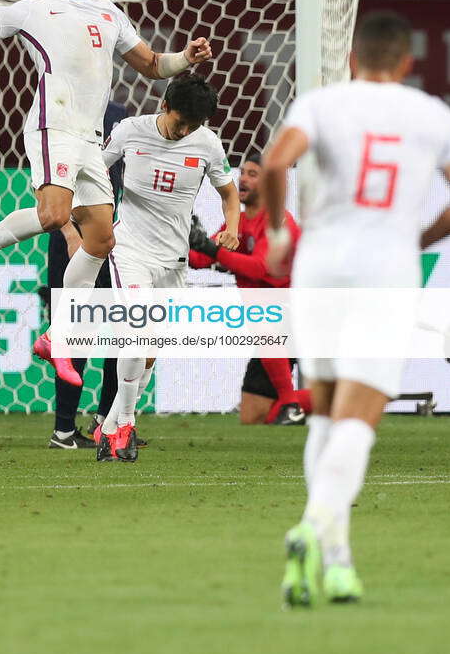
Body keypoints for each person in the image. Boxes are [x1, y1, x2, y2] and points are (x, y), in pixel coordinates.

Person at [0, 0, 213, 388]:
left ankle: (59, 337)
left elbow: (154, 65)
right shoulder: (33, 8)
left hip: (89, 137)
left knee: (100, 241)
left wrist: (185, 58)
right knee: (55, 216)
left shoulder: (109, 11)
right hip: (52, 126)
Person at [262, 12, 450, 605]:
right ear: (405, 64)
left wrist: (275, 234)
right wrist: (419, 238)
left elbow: (273, 164)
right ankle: (313, 526)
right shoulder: (431, 115)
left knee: (323, 412)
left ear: (352, 59)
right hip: (384, 271)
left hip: (319, 265)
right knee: (357, 419)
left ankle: (337, 560)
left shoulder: (322, 104)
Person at [94, 75, 240, 461]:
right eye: (181, 122)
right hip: (130, 248)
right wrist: (92, 215)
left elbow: (229, 194)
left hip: (173, 257)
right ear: (164, 107)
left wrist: (233, 228)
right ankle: (125, 424)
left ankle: (108, 426)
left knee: (153, 346)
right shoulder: (129, 131)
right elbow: (92, 172)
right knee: (137, 330)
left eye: (194, 125)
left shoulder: (207, 143)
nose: (185, 131)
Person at [187, 150, 309, 425]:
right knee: (253, 416)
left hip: (305, 318)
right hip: (274, 325)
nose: (242, 179)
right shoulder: (239, 223)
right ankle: (296, 404)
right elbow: (199, 259)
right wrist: (184, 238)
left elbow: (260, 268)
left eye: (252, 174)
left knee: (267, 320)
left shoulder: (279, 221)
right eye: (242, 172)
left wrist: (211, 248)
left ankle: (293, 403)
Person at [46, 99, 125, 450]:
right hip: (73, 237)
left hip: (112, 240)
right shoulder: (59, 112)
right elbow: (49, 186)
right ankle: (63, 430)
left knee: (121, 333)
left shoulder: (120, 118)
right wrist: (68, 233)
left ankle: (105, 421)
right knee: (74, 333)